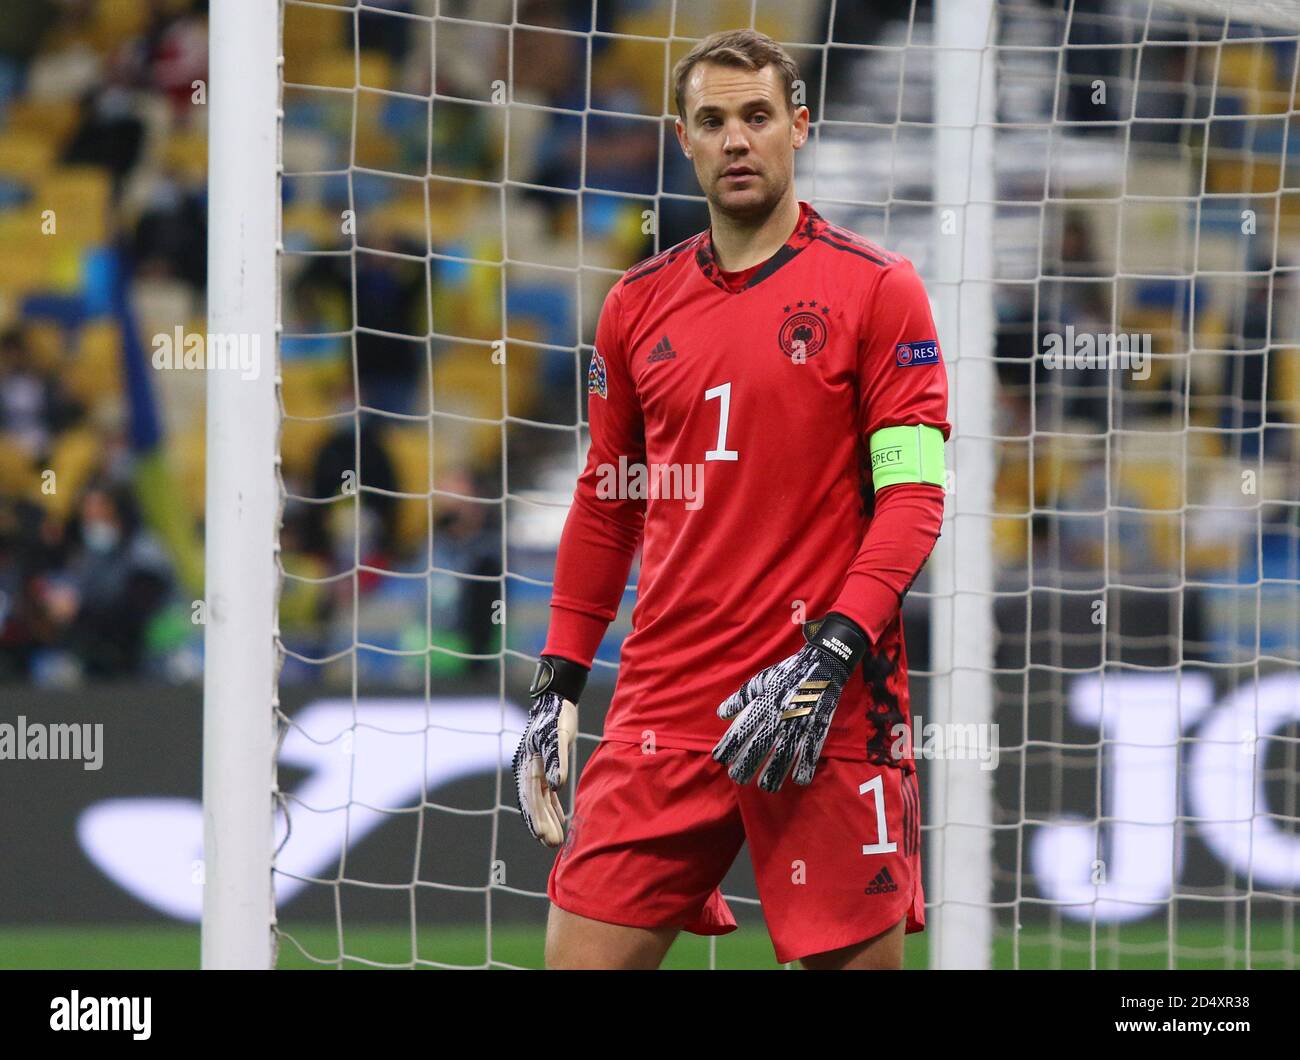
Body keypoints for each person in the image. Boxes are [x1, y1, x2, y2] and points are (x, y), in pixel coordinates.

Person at [512, 28, 950, 970]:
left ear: (801, 126)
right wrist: (557, 680)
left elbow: (913, 498)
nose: (736, 139)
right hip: (665, 702)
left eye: (757, 117)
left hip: (824, 703)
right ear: (684, 138)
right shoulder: (636, 305)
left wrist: (836, 651)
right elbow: (606, 501)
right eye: (713, 121)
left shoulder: (880, 291)